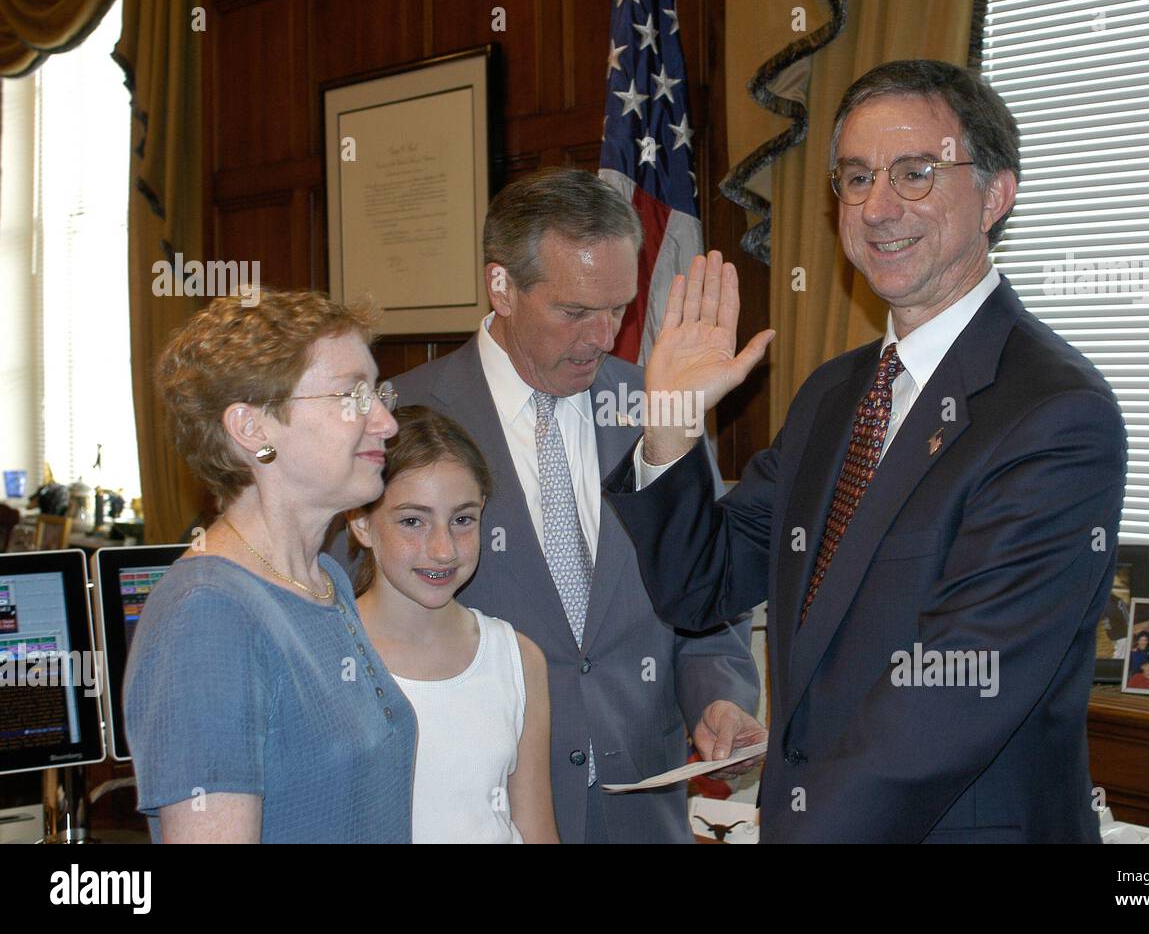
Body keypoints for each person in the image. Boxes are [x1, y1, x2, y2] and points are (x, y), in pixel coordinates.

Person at [603, 59, 1128, 842]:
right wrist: (672, 420)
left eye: (915, 173)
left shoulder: (1054, 412)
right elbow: (703, 588)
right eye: (854, 178)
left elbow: (955, 691)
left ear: (995, 195)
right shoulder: (834, 395)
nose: (878, 208)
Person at [332, 168, 762, 843]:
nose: (603, 336)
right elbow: (342, 617)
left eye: (618, 308)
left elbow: (703, 591)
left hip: (641, 807)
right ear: (501, 286)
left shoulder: (663, 410)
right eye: (573, 311)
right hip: (474, 808)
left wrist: (720, 696)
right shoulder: (397, 420)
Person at [125, 289, 416, 843]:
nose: (385, 421)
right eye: (352, 395)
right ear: (253, 429)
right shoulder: (206, 615)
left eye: (376, 393)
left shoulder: (324, 579)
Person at [347, 406, 559, 843]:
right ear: (361, 523)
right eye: (413, 521)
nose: (443, 550)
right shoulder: (327, 655)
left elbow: (535, 827)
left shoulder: (517, 659)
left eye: (462, 520)